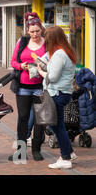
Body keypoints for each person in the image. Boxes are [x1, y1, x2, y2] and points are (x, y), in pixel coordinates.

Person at [37, 26, 78, 169]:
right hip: (62, 93)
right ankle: (69, 152)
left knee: (57, 126)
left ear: (53, 39)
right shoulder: (64, 51)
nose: (45, 41)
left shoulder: (59, 54)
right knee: (57, 125)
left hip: (57, 93)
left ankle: (65, 158)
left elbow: (53, 77)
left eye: (47, 39)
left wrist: (41, 72)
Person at [8, 12, 46, 162]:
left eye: (37, 31)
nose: (35, 34)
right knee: (23, 118)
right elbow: (13, 62)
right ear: (27, 31)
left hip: (40, 86)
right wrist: (21, 65)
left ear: (41, 29)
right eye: (32, 32)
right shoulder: (22, 42)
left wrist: (43, 66)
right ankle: (21, 151)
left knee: (40, 119)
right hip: (23, 86)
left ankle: (36, 149)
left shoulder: (47, 42)